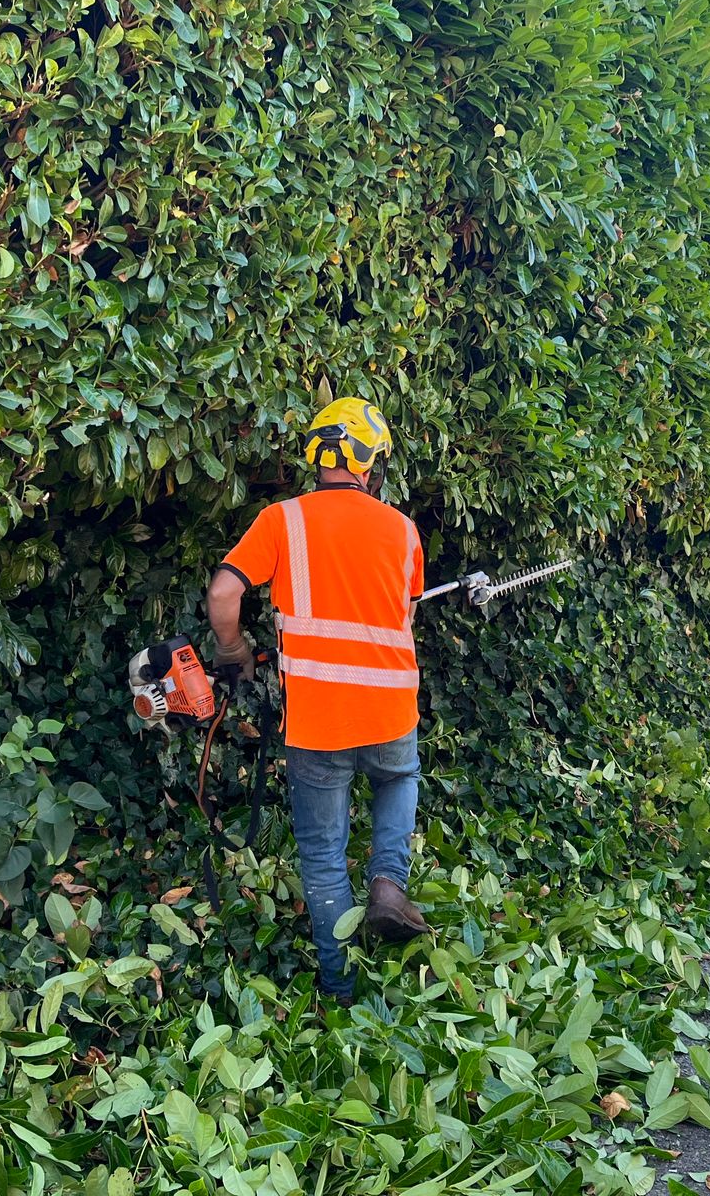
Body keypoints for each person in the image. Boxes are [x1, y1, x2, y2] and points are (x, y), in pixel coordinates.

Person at [206, 397, 429, 999]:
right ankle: (388, 882)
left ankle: (340, 988)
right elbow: (404, 613)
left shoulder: (283, 520)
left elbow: (224, 595)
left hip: (317, 720)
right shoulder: (403, 530)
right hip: (391, 710)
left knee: (325, 853)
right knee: (398, 779)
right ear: (370, 463)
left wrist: (233, 650)